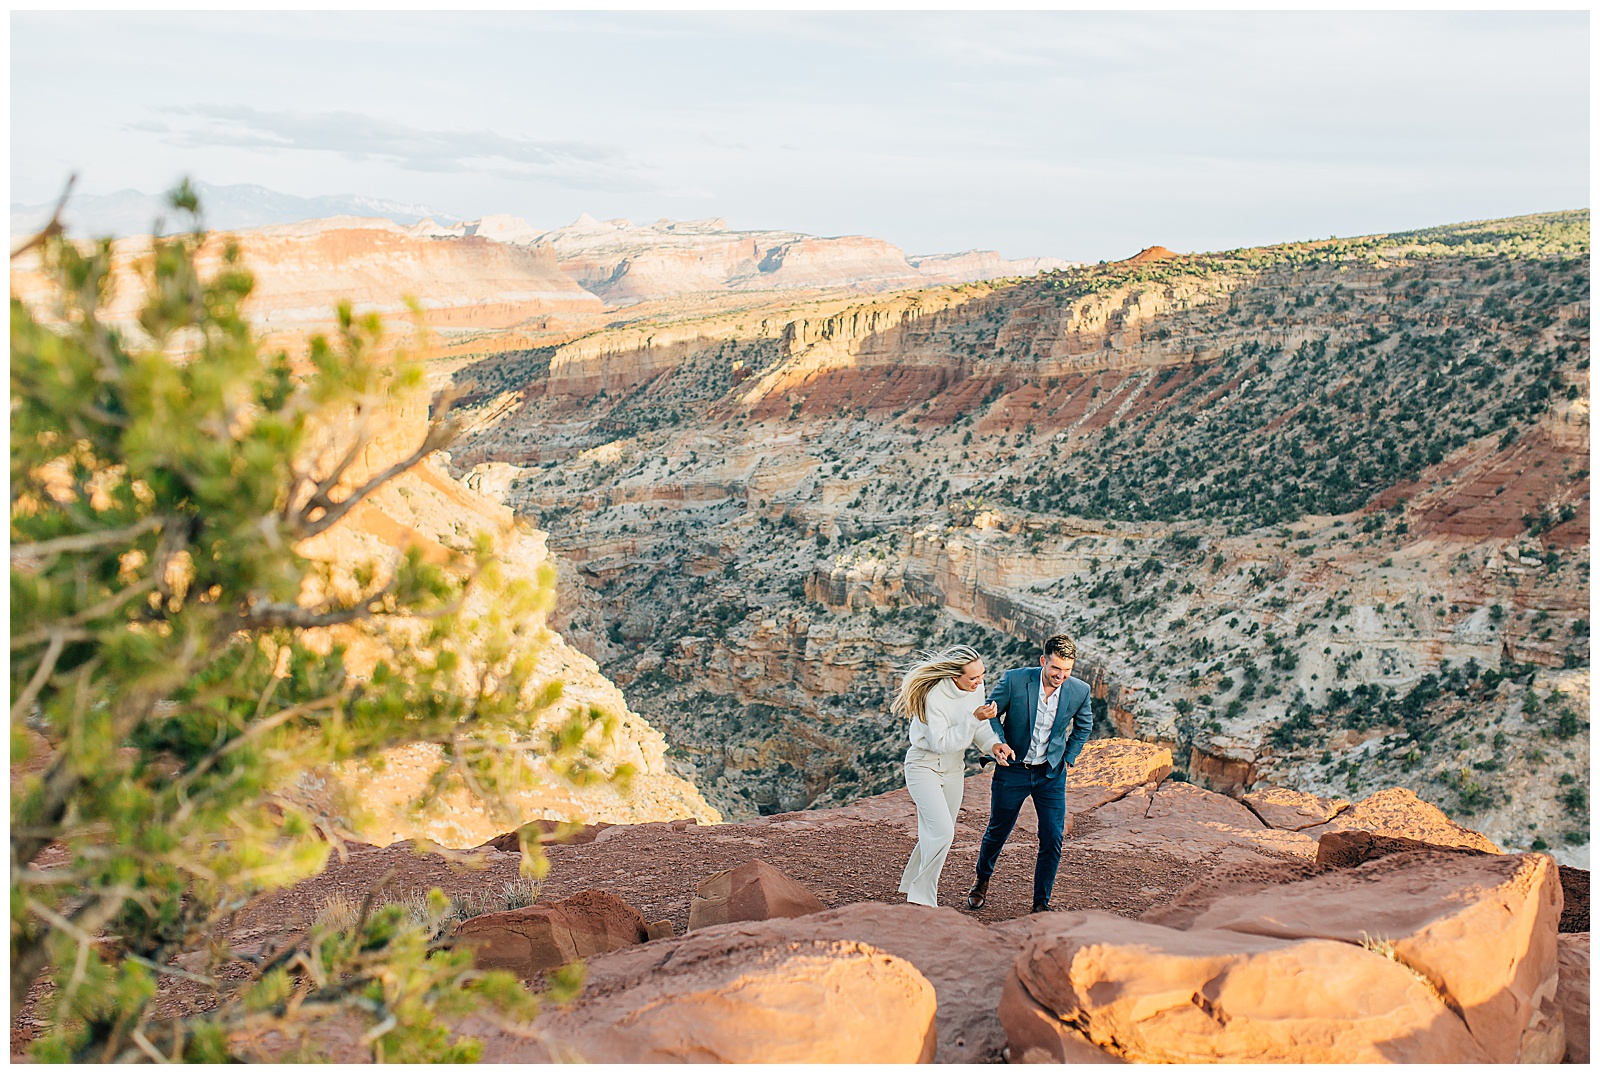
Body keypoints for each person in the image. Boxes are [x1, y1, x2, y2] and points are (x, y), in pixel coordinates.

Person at [966, 633, 1094, 914]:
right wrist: (1000, 742)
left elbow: (1084, 727)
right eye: (1055, 668)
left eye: (1067, 670)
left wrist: (1068, 758)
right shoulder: (1015, 680)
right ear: (1043, 661)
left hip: (1050, 774)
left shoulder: (1079, 690)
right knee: (998, 830)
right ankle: (981, 882)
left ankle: (1040, 903)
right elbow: (992, 715)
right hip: (1013, 770)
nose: (1061, 676)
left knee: (1052, 837)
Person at [893, 645, 1016, 907]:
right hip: (923, 766)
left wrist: (994, 746)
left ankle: (912, 883)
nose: (980, 681)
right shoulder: (932, 696)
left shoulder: (975, 690)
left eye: (981, 675)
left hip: (953, 768)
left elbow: (980, 728)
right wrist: (973, 719)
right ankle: (923, 899)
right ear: (954, 676)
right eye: (973, 677)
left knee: (934, 832)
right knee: (943, 833)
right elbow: (941, 742)